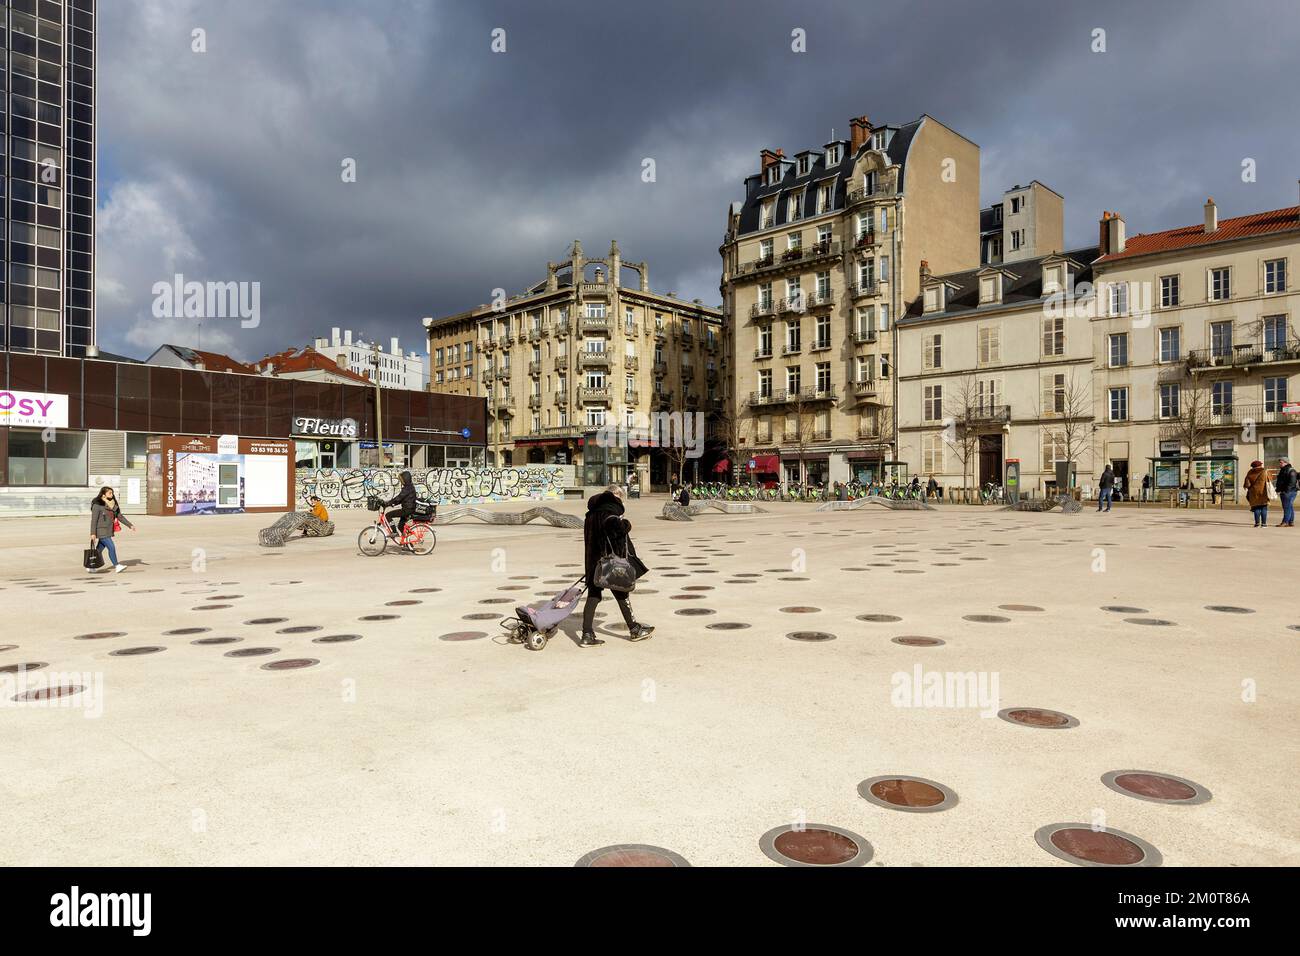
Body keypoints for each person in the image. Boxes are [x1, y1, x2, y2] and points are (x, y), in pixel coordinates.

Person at [580, 485, 652, 647]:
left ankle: (587, 634)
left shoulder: (591, 513)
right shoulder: (610, 512)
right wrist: (625, 523)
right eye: (621, 498)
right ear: (616, 496)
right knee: (622, 594)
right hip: (611, 563)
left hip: (593, 562)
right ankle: (634, 629)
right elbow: (616, 531)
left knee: (593, 596)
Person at [89, 486, 135, 573]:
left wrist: (130, 525)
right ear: (103, 494)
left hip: (109, 530)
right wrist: (93, 533)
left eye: (112, 493)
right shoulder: (97, 505)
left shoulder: (112, 504)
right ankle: (117, 565)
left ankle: (91, 566)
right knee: (111, 547)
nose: (112, 494)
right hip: (101, 530)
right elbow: (93, 520)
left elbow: (119, 516)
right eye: (110, 493)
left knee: (99, 550)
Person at [383, 470, 418, 538]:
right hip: (409, 509)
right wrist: (392, 504)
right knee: (400, 527)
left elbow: (398, 498)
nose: (401, 481)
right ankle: (408, 545)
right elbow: (401, 499)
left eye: (402, 479)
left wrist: (388, 503)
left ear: (405, 479)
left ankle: (394, 532)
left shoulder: (407, 488)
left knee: (388, 515)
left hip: (407, 510)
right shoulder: (410, 487)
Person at [1243, 459, 1270, 528]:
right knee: (1264, 508)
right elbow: (1270, 479)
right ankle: (1264, 524)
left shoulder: (1250, 472)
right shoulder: (1264, 471)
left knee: (1256, 508)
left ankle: (1257, 524)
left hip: (1253, 492)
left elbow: (1247, 484)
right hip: (1263, 492)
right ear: (1260, 465)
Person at [1274, 456, 1296, 527]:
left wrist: (1286, 491)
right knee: (1290, 506)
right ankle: (1291, 521)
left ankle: (1285, 522)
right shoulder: (1283, 470)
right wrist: (1277, 490)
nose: (1279, 464)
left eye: (1281, 462)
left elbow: (1292, 482)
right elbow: (1281, 481)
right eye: (1279, 462)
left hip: (1288, 492)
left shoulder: (1290, 470)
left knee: (1286, 507)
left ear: (1286, 462)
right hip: (1287, 491)